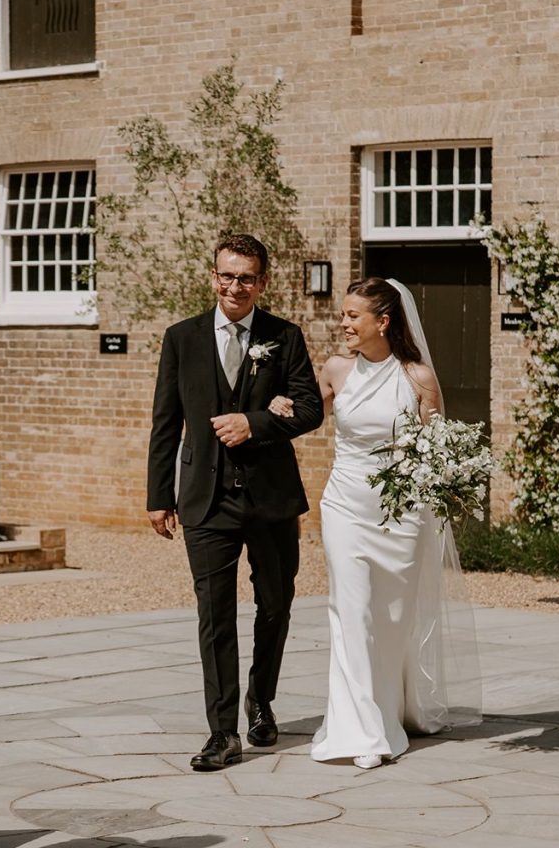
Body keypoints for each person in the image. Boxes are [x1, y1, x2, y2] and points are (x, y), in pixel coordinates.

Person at [270, 277, 481, 769]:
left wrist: (450, 481)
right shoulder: (336, 369)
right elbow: (307, 415)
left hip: (401, 514)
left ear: (382, 322)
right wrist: (279, 407)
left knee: (389, 621)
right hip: (344, 504)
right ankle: (360, 731)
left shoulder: (417, 377)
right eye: (343, 314)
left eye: (352, 316)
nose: (343, 323)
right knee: (351, 612)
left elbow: (439, 449)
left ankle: (389, 711)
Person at [147, 234, 323, 772]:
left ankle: (260, 699)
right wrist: (159, 496)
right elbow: (165, 421)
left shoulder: (283, 336)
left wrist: (257, 422)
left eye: (246, 277)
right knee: (215, 616)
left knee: (274, 604)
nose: (235, 286)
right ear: (213, 276)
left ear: (261, 282)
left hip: (271, 500)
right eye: (226, 275)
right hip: (205, 501)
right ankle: (222, 732)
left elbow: (311, 408)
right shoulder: (181, 338)